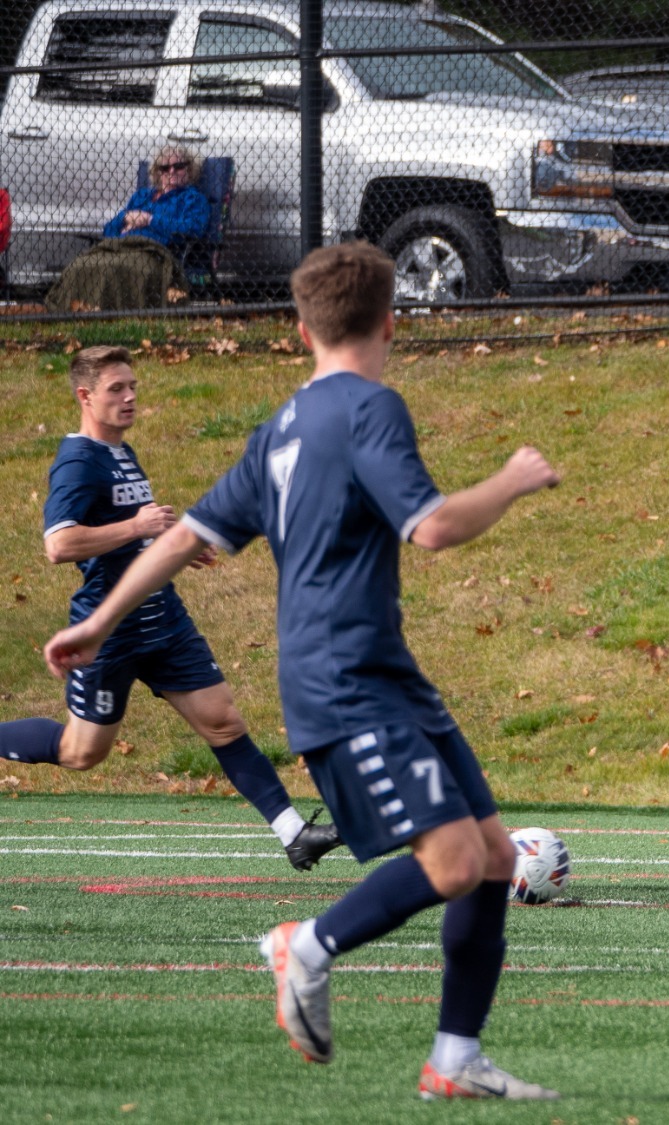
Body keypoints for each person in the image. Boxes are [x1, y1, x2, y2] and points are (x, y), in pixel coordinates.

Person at [44, 242, 562, 1100]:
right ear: (390, 323)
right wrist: (510, 479)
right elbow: (431, 526)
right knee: (455, 862)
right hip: (344, 680)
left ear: (300, 330)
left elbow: (184, 535)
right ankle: (307, 944)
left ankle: (455, 1058)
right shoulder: (370, 407)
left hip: (387, 673)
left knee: (497, 856)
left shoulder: (283, 425)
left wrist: (99, 619)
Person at [0, 345, 340, 871]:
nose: (130, 397)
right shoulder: (77, 461)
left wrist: (168, 543)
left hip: (163, 620)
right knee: (81, 753)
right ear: (85, 396)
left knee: (223, 722)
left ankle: (295, 834)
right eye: (116, 389)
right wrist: (138, 527)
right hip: (108, 630)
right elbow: (59, 543)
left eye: (133, 386)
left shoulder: (121, 453)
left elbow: (132, 529)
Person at [46, 146, 210, 311]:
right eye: (165, 167)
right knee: (80, 265)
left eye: (178, 166)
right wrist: (125, 218)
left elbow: (193, 229)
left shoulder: (193, 199)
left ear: (189, 170)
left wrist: (149, 220)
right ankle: (71, 312)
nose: (171, 171)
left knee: (116, 269)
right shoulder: (141, 196)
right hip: (120, 247)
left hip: (155, 252)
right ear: (158, 172)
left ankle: (104, 313)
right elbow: (108, 230)